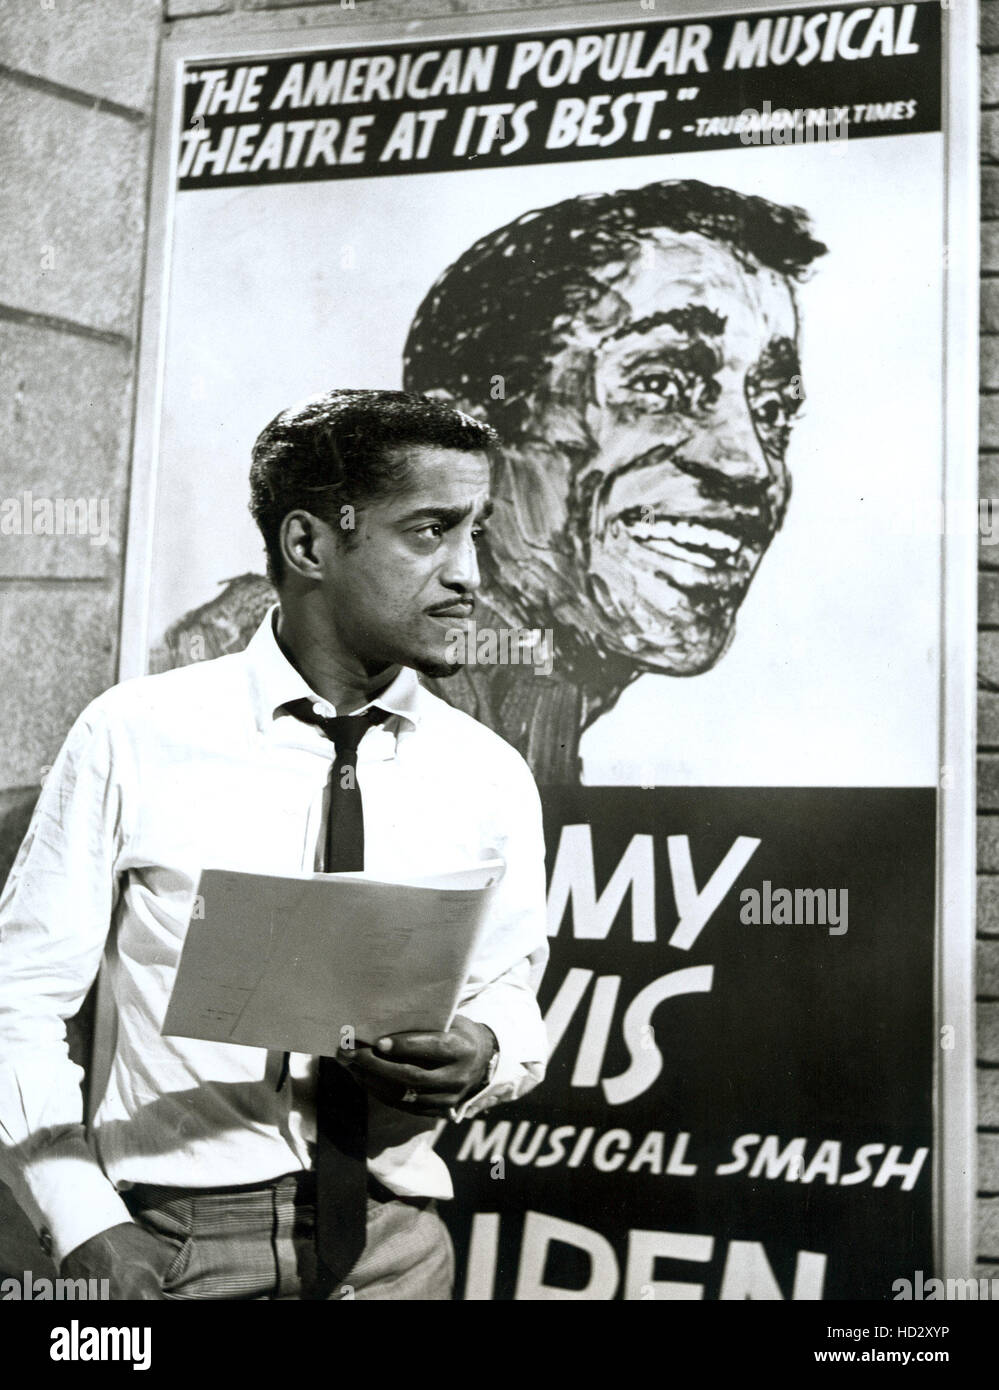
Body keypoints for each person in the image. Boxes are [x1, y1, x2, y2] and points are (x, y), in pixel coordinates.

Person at [0, 389, 549, 1300]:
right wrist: (83, 1219)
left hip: (396, 1250)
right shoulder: (133, 733)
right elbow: (13, 999)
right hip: (166, 1244)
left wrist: (486, 1048)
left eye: (478, 534)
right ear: (308, 546)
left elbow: (511, 986)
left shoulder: (487, 772)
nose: (471, 575)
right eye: (430, 533)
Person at [404, 178, 827, 779]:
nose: (749, 465)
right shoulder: (291, 665)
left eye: (772, 410)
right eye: (659, 383)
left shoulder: (516, 710)